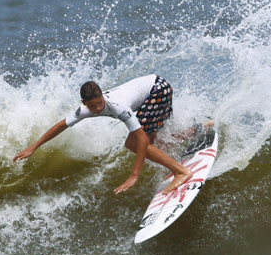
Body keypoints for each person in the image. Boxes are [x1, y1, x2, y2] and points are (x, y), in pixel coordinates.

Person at [13, 75, 193, 195]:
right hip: (156, 86)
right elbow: (61, 125)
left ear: (102, 97)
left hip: (157, 90)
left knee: (134, 144)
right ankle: (194, 132)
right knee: (150, 141)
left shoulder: (117, 105)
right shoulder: (84, 110)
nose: (98, 109)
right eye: (93, 106)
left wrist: (134, 175)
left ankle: (180, 172)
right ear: (84, 103)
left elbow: (141, 139)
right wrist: (33, 147)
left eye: (100, 103)